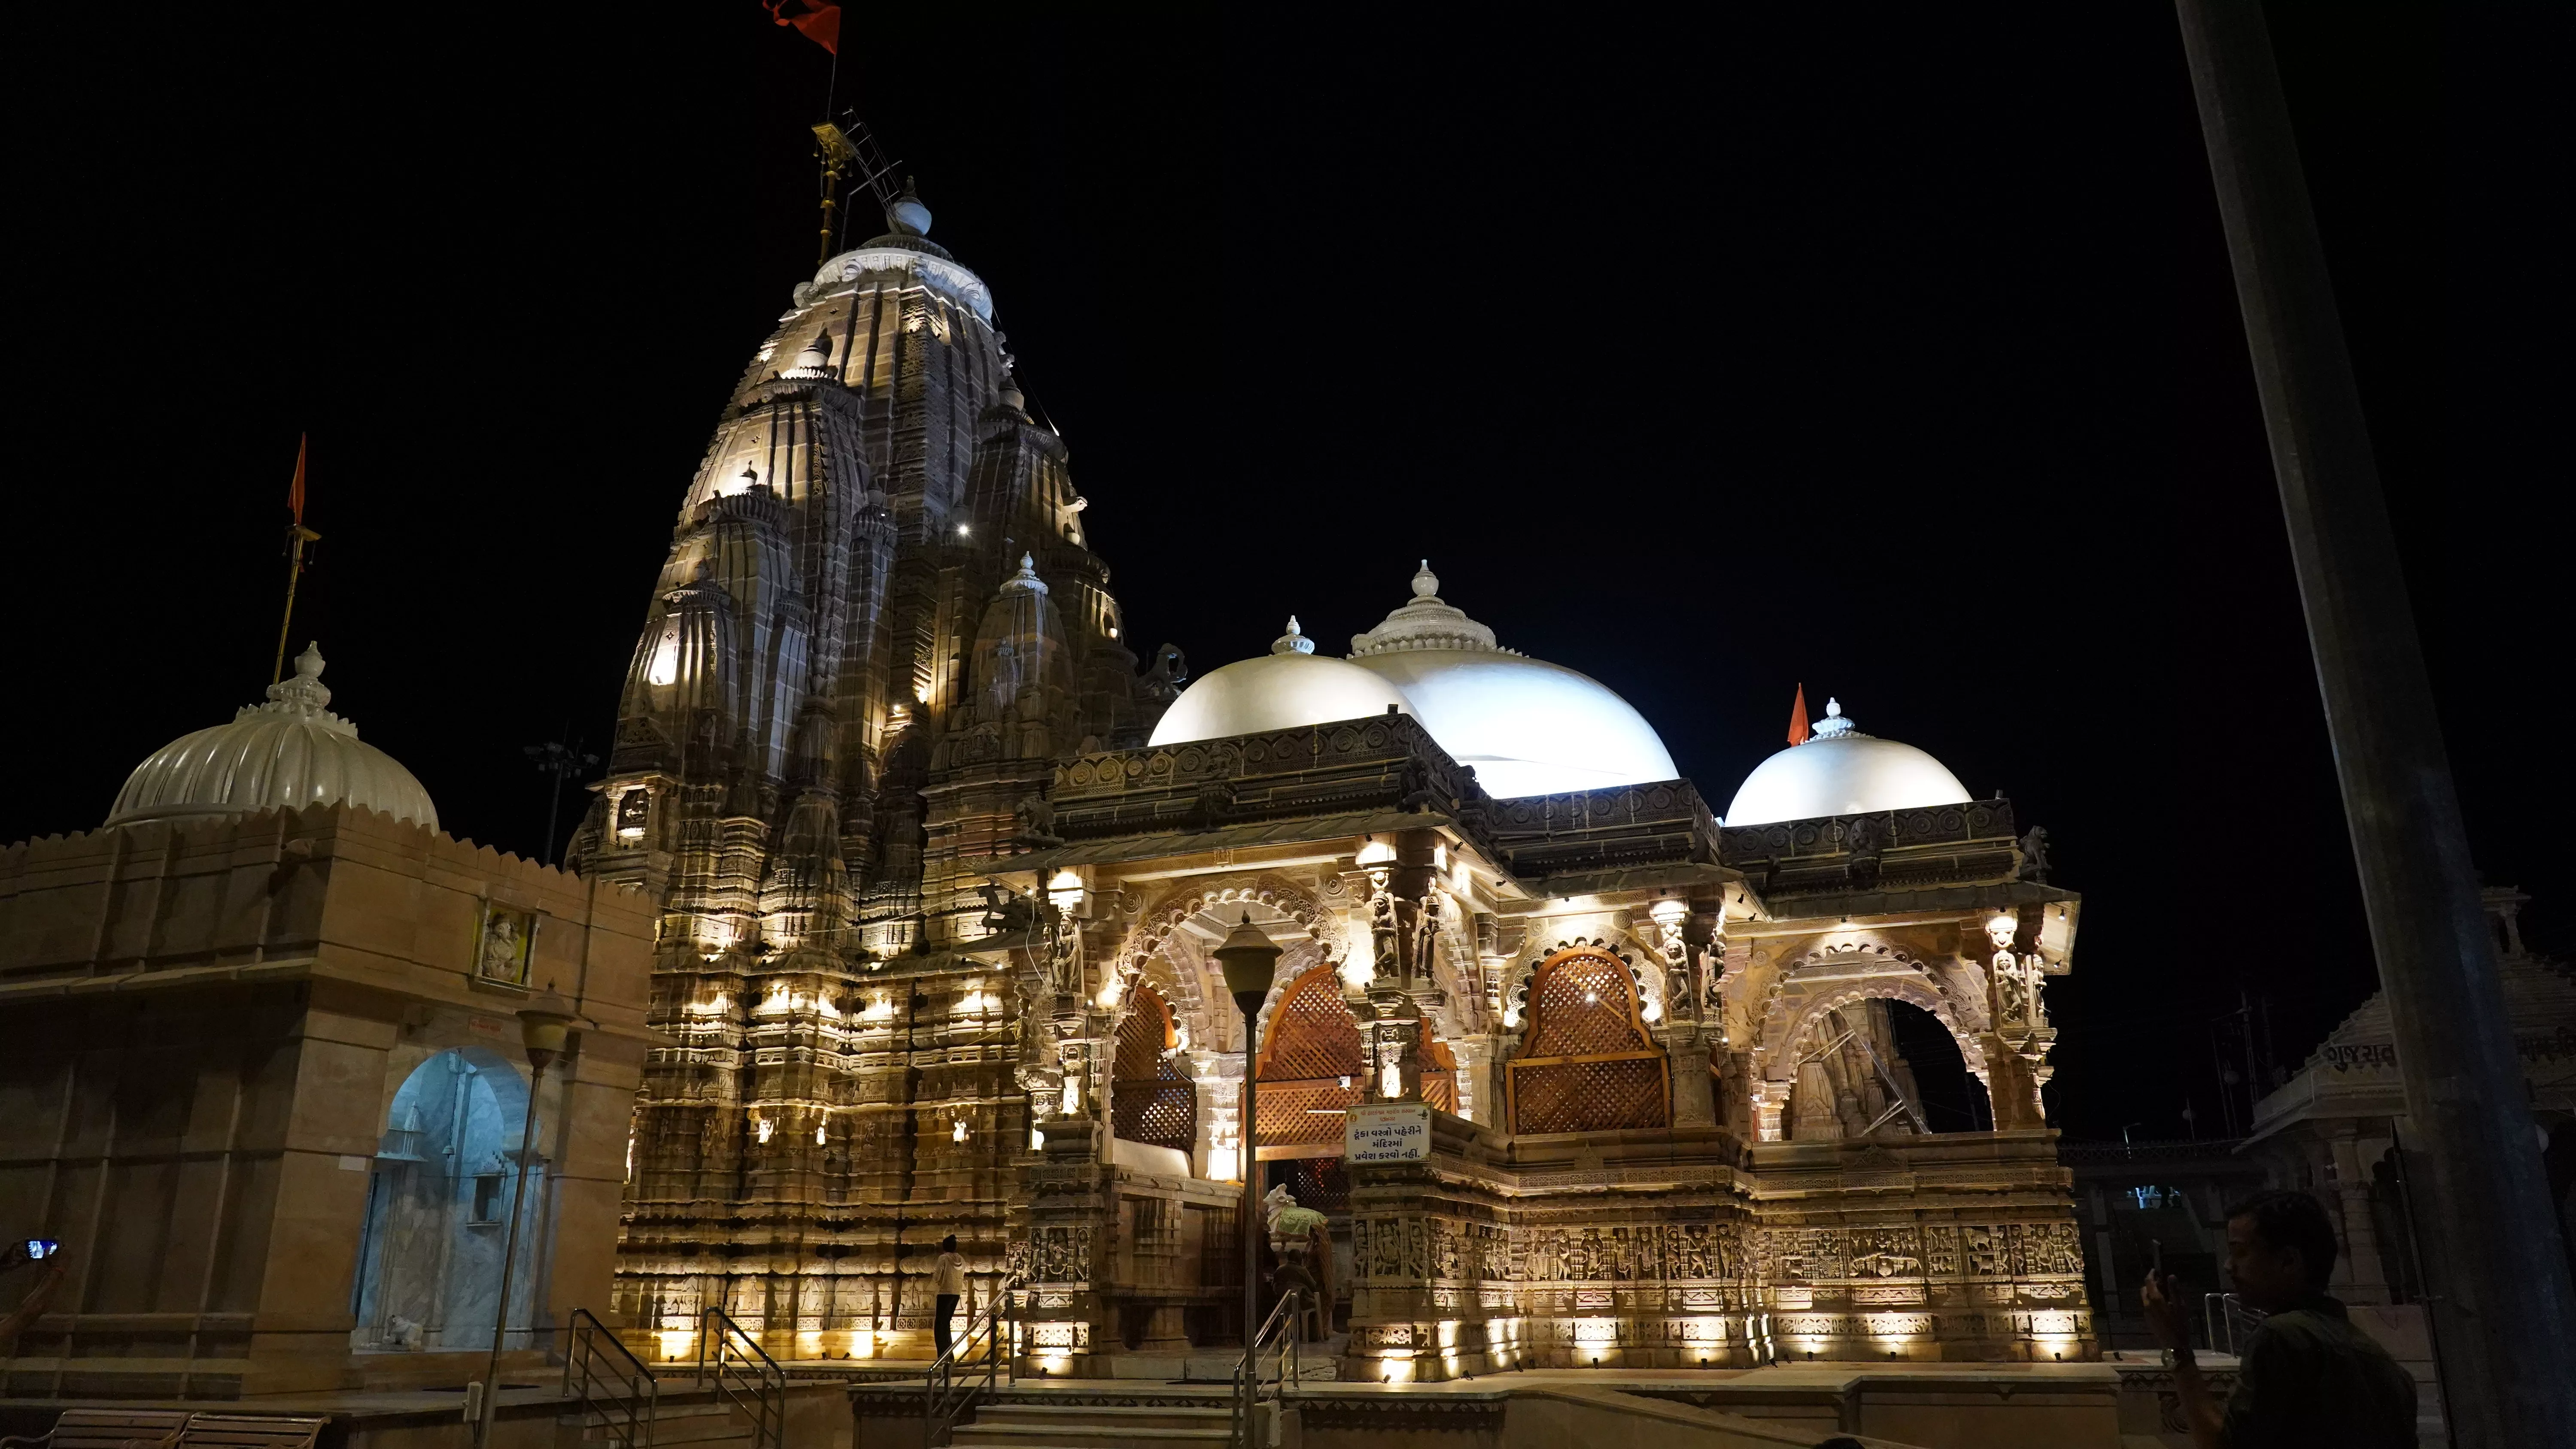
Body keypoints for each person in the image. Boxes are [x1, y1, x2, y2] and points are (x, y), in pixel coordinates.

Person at [2140, 1188, 2417, 1449]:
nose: (2228, 1266)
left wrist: (2178, 1349)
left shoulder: (2282, 1337)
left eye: (2241, 1251)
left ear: (2288, 1261)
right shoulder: (2383, 1363)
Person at [932, 1234, 966, 1361]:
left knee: (940, 1327)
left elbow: (937, 1277)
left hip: (944, 1293)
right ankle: (949, 1357)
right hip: (956, 1293)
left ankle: (942, 1357)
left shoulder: (944, 1258)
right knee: (946, 1325)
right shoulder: (962, 1259)